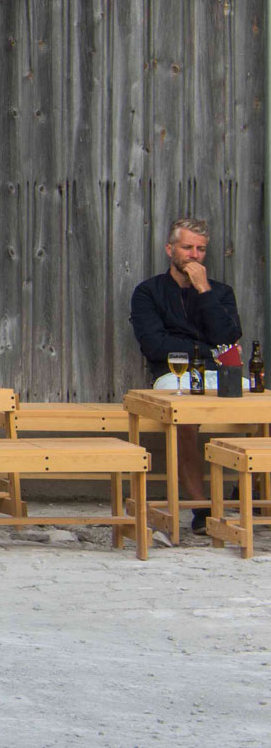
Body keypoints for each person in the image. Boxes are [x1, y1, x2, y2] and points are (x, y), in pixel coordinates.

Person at [131, 216, 240, 532]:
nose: (194, 255)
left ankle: (254, 487)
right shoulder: (148, 292)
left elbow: (227, 337)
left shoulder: (219, 292)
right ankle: (200, 509)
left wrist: (204, 290)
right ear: (170, 249)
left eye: (201, 249)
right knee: (184, 418)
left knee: (264, 409)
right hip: (172, 375)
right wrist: (212, 350)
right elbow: (155, 347)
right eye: (187, 247)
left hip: (219, 375)